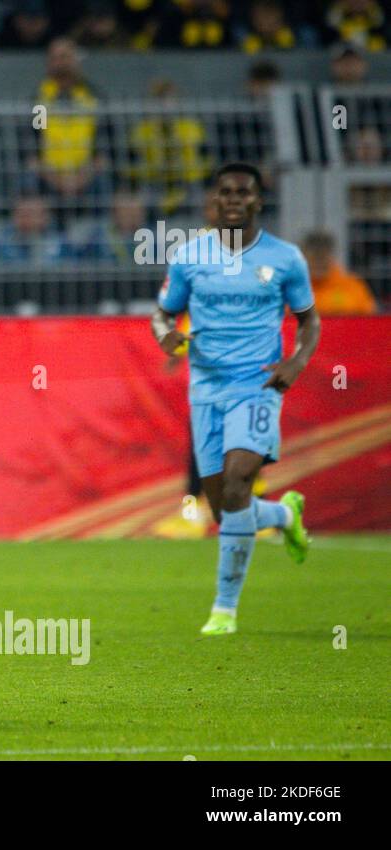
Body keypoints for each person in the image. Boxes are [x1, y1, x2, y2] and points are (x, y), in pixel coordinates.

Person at [150, 162, 320, 637]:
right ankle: (285, 515)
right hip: (206, 390)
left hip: (258, 386)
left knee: (241, 478)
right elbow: (163, 315)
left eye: (242, 192)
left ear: (257, 201)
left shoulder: (285, 258)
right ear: (215, 199)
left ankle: (224, 610)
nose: (233, 199)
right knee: (227, 507)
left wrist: (295, 362)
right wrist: (166, 337)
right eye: (225, 192)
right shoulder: (190, 257)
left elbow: (310, 320)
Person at [301, 230, 378, 315]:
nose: (319, 263)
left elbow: (370, 317)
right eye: (314, 258)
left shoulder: (353, 285)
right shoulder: (291, 287)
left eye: (323, 257)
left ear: (332, 257)